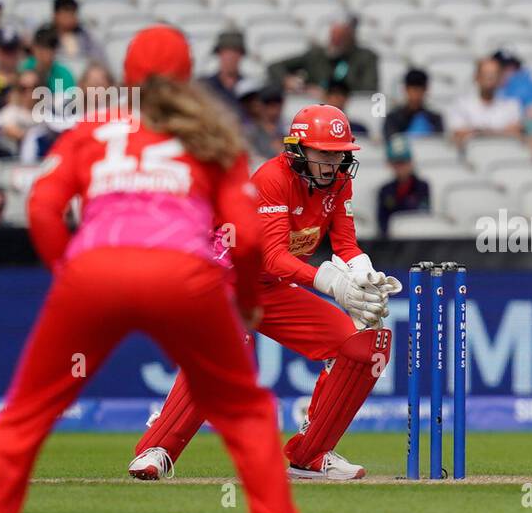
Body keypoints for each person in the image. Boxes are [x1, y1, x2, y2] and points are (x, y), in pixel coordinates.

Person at [0, 24, 327, 513]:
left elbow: (42, 206)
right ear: (187, 76)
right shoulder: (212, 136)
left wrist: (67, 272)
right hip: (184, 277)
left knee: (22, 420)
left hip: (93, 271)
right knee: (244, 414)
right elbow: (244, 238)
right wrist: (243, 304)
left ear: (127, 78)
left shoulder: (94, 129)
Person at [128, 103, 397, 484]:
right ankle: (158, 448)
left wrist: (363, 275)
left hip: (268, 289)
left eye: (340, 154)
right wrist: (334, 283)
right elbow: (272, 256)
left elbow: (346, 244)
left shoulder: (339, 182)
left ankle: (311, 454)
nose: (334, 162)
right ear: (298, 150)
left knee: (360, 345)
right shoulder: (271, 178)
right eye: (324, 152)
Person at [269, 15, 378, 96]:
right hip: (314, 108)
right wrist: (288, 80)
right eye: (333, 37)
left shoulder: (366, 57)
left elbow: (368, 89)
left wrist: (329, 93)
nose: (335, 42)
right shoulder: (316, 55)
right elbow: (275, 66)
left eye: (340, 38)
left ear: (351, 38)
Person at [449, 57, 522, 145]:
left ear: (500, 78)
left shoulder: (511, 105)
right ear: (476, 77)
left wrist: (477, 132)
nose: (490, 78)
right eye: (486, 74)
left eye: (494, 74)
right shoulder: (461, 104)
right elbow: (458, 133)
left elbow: (515, 132)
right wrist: (500, 131)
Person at [377, 134, 431, 236]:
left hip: (418, 236)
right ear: (391, 165)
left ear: (411, 163)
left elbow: (423, 215)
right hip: (393, 242)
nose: (400, 167)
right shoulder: (385, 190)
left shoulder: (422, 187)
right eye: (396, 163)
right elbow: (382, 221)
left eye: (403, 162)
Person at [383, 68, 444, 139]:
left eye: (420, 90)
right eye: (413, 90)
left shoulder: (434, 119)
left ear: (426, 90)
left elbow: (438, 143)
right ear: (405, 89)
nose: (416, 95)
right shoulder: (393, 118)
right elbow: (391, 142)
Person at [51, 0, 107, 70]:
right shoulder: (47, 36)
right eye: (66, 13)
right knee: (58, 80)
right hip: (59, 77)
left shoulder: (86, 36)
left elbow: (99, 58)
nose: (70, 18)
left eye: (73, 14)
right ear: (56, 15)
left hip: (81, 78)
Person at [201, 29, 246, 112]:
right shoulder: (205, 86)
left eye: (235, 52)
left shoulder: (248, 87)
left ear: (241, 55)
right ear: (219, 54)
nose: (230, 57)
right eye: (226, 53)